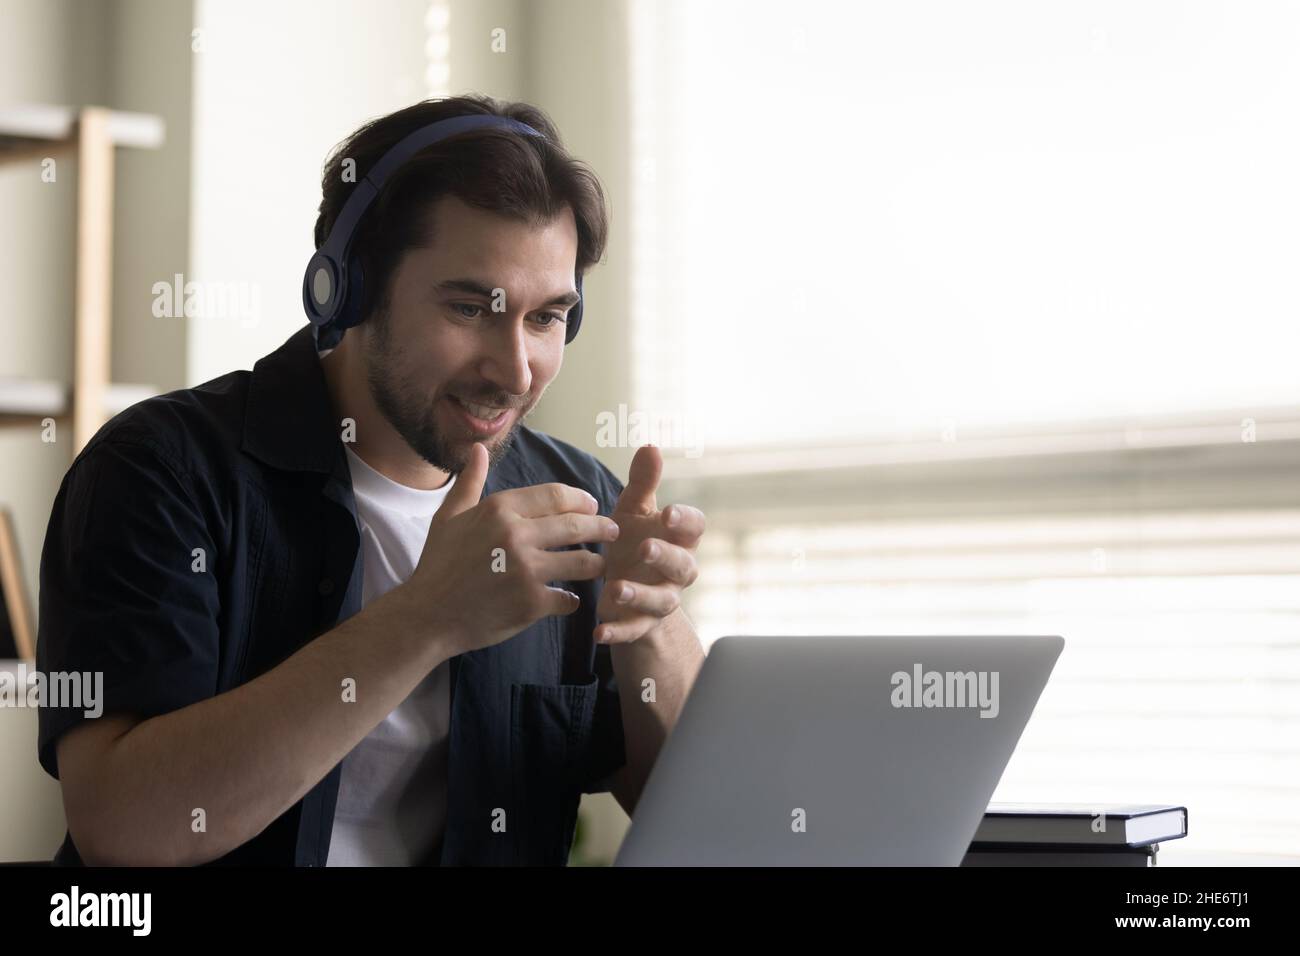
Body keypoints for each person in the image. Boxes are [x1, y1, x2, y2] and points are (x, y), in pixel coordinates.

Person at [35, 94, 706, 866]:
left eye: (547, 317)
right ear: (346, 290)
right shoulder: (161, 470)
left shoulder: (578, 499)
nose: (515, 369)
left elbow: (704, 820)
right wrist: (424, 620)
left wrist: (650, 630)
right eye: (471, 307)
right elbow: (123, 829)